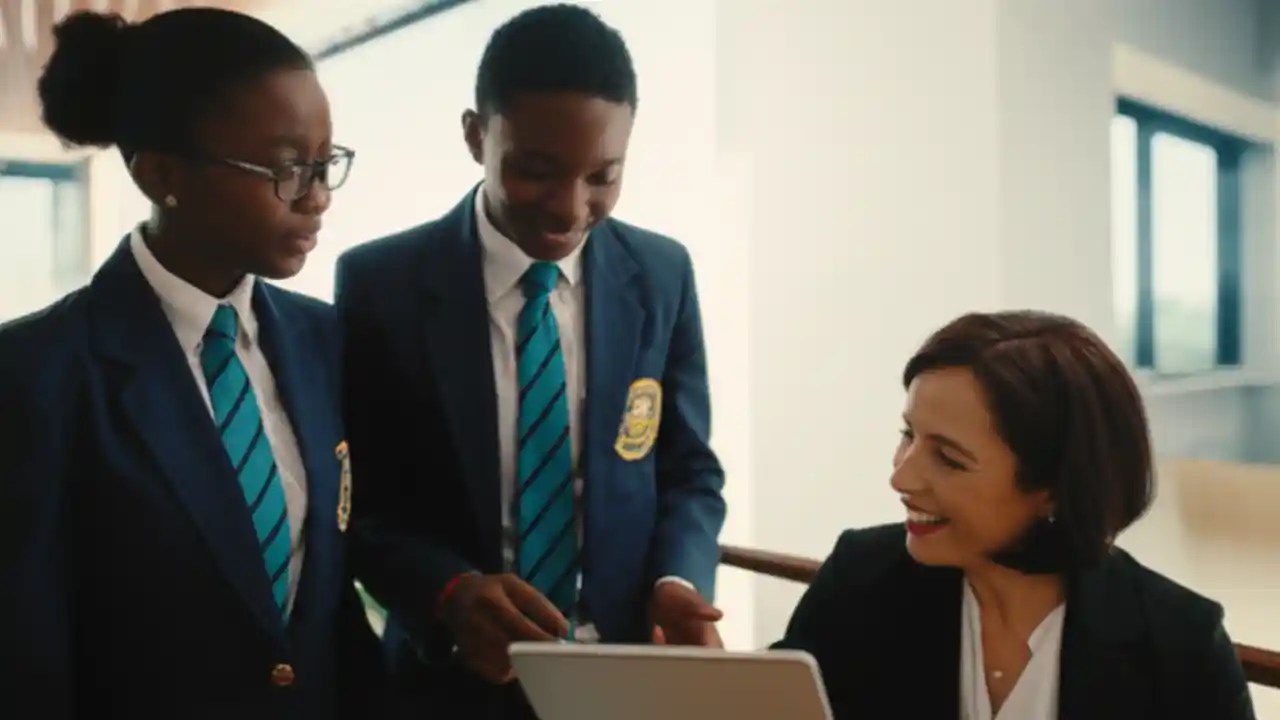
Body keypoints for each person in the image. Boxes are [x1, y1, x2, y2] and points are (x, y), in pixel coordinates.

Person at [336, 4, 726, 717]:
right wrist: (447, 593)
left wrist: (679, 581)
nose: (570, 209)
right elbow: (359, 508)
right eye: (537, 171)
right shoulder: (380, 286)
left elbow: (688, 470)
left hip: (623, 674)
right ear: (475, 135)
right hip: (449, 685)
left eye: (603, 175)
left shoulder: (661, 275)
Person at [0, 8, 382, 718]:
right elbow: (28, 652)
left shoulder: (325, 341)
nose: (317, 196)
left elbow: (332, 599)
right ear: (162, 174)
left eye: (325, 163)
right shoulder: (35, 375)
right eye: (286, 168)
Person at [773, 311, 1256, 720]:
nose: (901, 477)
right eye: (908, 436)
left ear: (1054, 489)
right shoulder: (860, 581)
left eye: (949, 458)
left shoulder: (1179, 643)